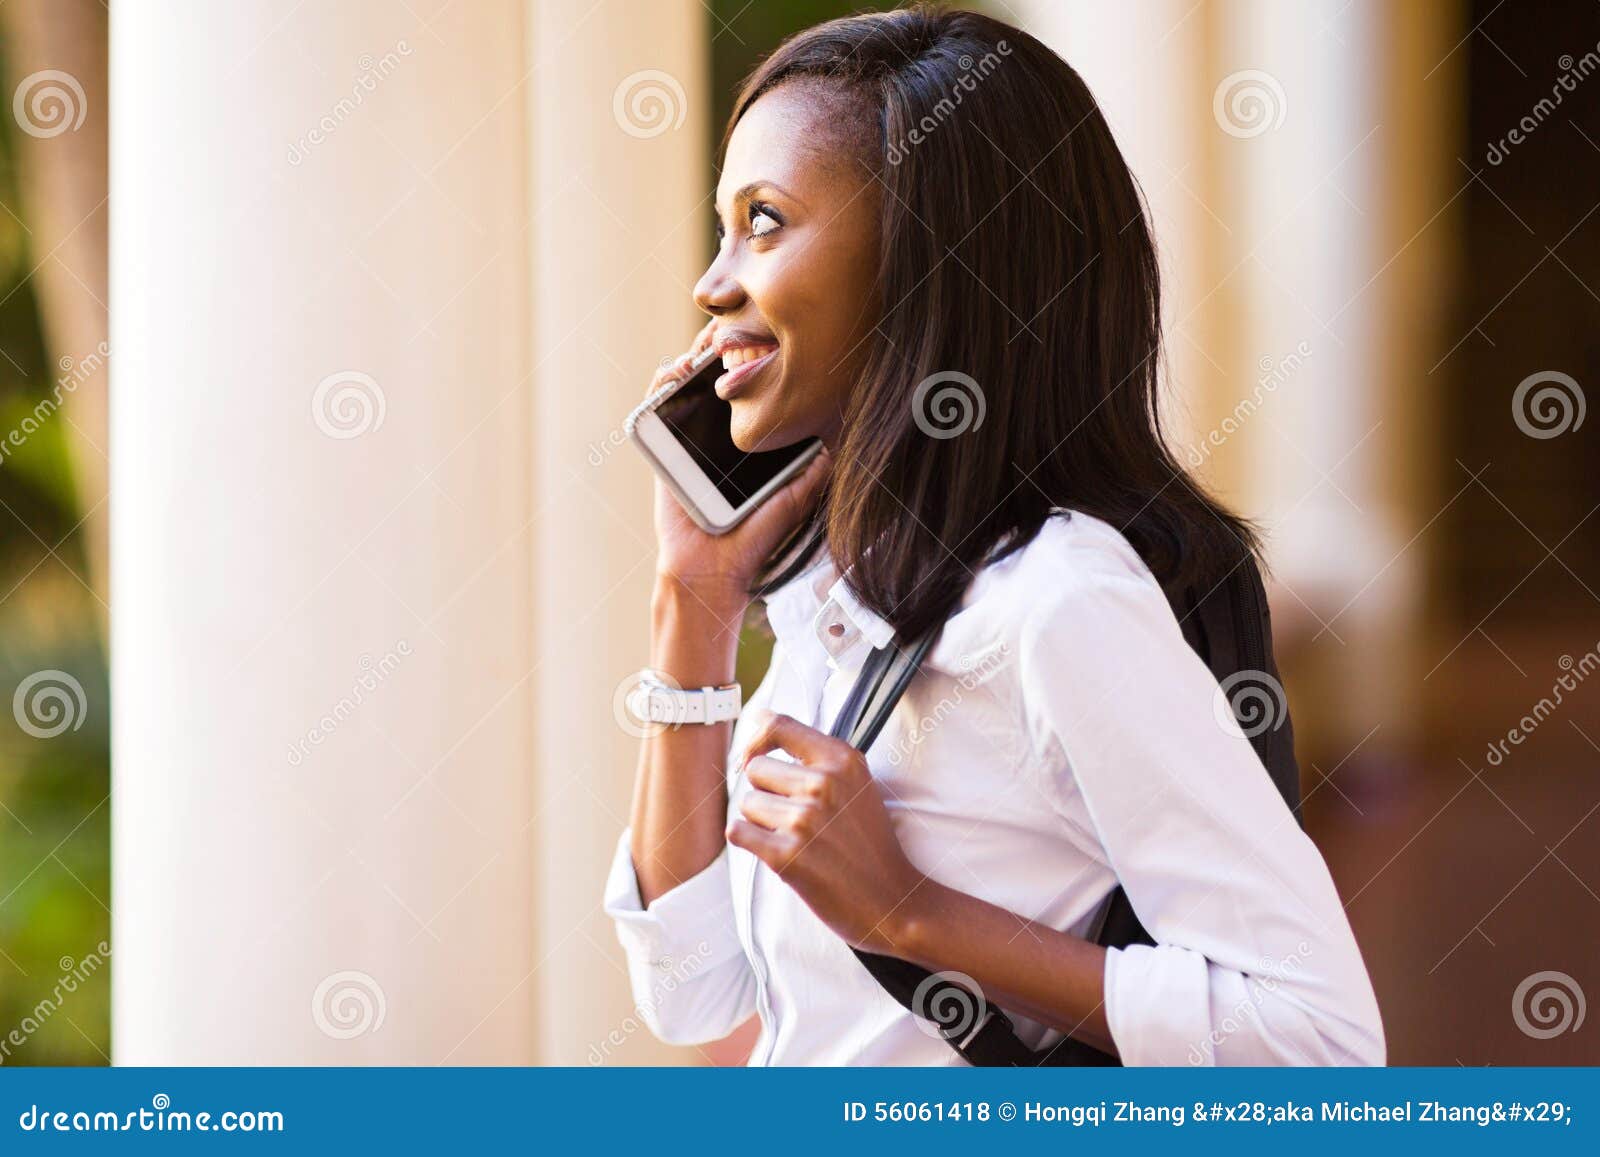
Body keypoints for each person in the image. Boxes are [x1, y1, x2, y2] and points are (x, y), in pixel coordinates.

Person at [603, 2, 1385, 1066]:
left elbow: (1321, 1041)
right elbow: (690, 991)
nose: (713, 282)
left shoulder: (1062, 600)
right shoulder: (844, 594)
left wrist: (910, 911)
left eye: (766, 220)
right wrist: (690, 602)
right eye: (723, 224)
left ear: (923, 262)